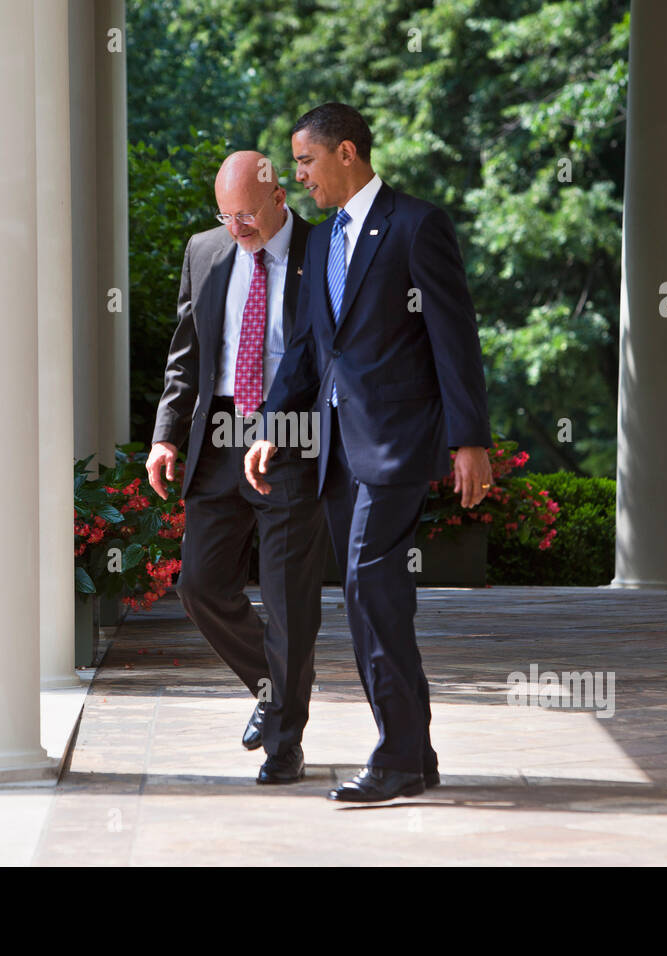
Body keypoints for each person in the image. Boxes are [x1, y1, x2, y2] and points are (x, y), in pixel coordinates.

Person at [246, 104, 493, 802]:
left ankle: (394, 757)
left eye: (304, 161)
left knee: (366, 584)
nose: (297, 176)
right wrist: (270, 425)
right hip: (336, 454)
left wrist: (469, 439)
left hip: (397, 446)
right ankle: (415, 752)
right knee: (372, 595)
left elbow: (455, 339)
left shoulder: (418, 225)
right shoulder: (321, 243)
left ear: (346, 152)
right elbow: (306, 350)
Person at [148, 151, 327, 785]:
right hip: (219, 435)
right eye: (225, 215)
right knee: (200, 583)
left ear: (280, 195)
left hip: (290, 439)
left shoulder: (324, 248)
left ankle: (284, 744)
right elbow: (185, 355)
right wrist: (166, 437)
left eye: (246, 214)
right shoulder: (205, 251)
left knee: (287, 600)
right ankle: (272, 689)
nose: (236, 227)